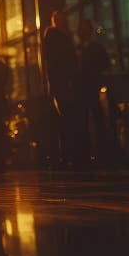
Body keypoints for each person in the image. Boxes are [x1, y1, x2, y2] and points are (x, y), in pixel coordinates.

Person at [42, 10, 81, 168]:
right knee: (67, 120)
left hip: (62, 84)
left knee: (66, 120)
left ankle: (68, 155)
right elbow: (58, 61)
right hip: (63, 84)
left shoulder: (57, 36)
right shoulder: (57, 37)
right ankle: (69, 155)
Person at [76, 19, 111, 165]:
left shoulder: (91, 49)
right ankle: (93, 153)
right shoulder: (80, 49)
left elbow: (105, 64)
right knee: (89, 120)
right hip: (84, 89)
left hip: (90, 87)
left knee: (95, 119)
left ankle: (100, 152)